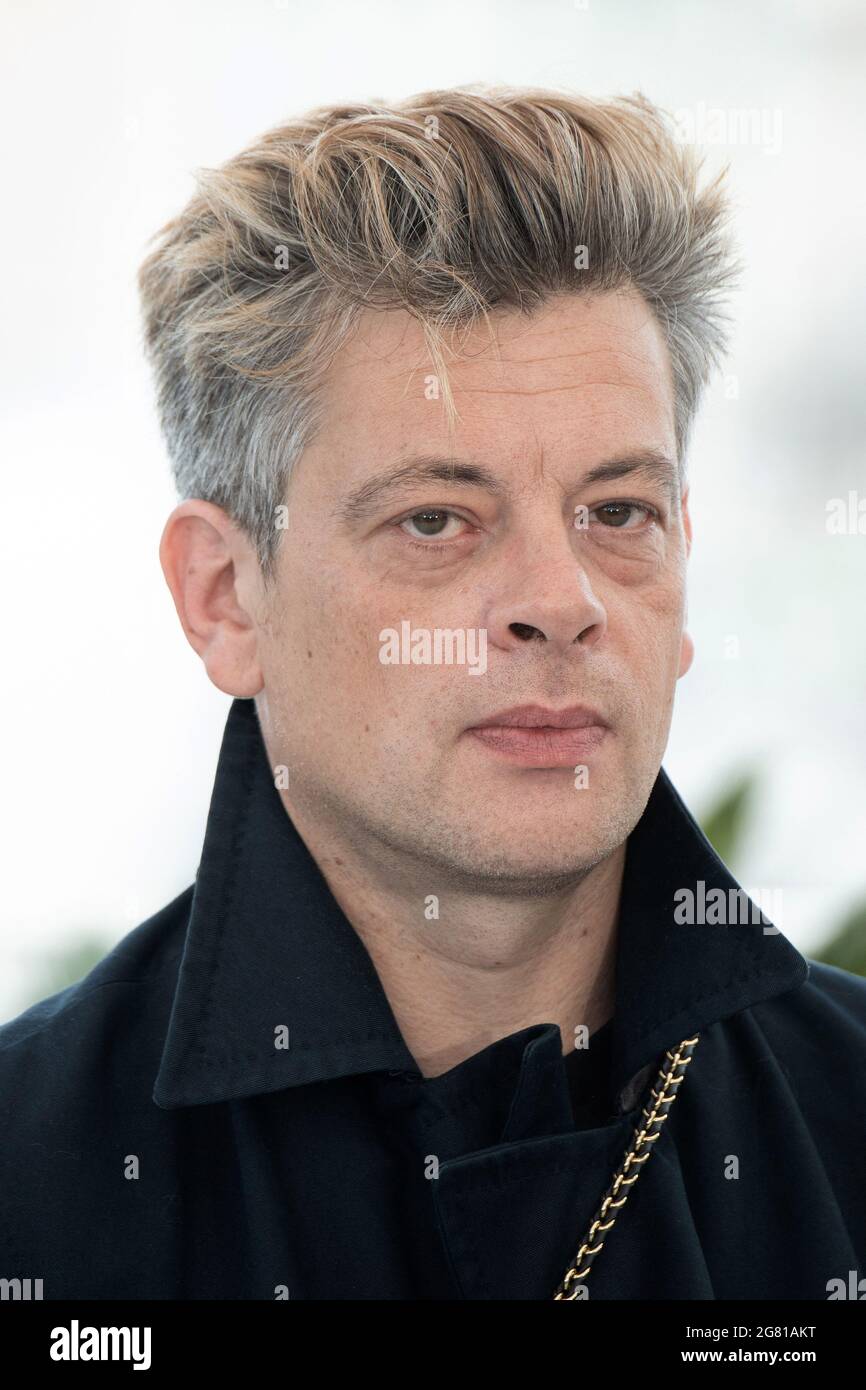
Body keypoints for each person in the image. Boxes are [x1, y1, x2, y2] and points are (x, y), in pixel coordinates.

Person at [1, 85, 864, 1302]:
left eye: (616, 511)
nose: (560, 599)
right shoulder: (30, 1189)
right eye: (434, 520)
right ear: (225, 598)